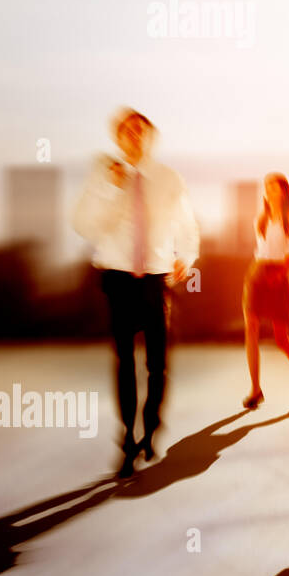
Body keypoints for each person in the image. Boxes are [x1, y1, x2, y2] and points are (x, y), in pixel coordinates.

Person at [71, 109, 199, 478]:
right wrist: (114, 188)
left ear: (149, 136)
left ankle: (151, 426)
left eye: (140, 129)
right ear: (117, 137)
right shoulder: (102, 175)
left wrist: (186, 258)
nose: (134, 135)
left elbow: (188, 224)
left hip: (156, 279)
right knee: (124, 360)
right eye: (127, 130)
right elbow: (83, 223)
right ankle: (127, 438)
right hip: (118, 277)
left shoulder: (167, 178)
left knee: (157, 364)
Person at [242, 173, 289, 411]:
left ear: (283, 191)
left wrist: (279, 275)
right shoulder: (259, 220)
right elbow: (260, 251)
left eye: (274, 186)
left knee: (281, 338)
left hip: (278, 277)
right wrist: (257, 275)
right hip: (256, 274)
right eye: (267, 186)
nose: (269, 190)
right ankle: (255, 390)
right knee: (251, 328)